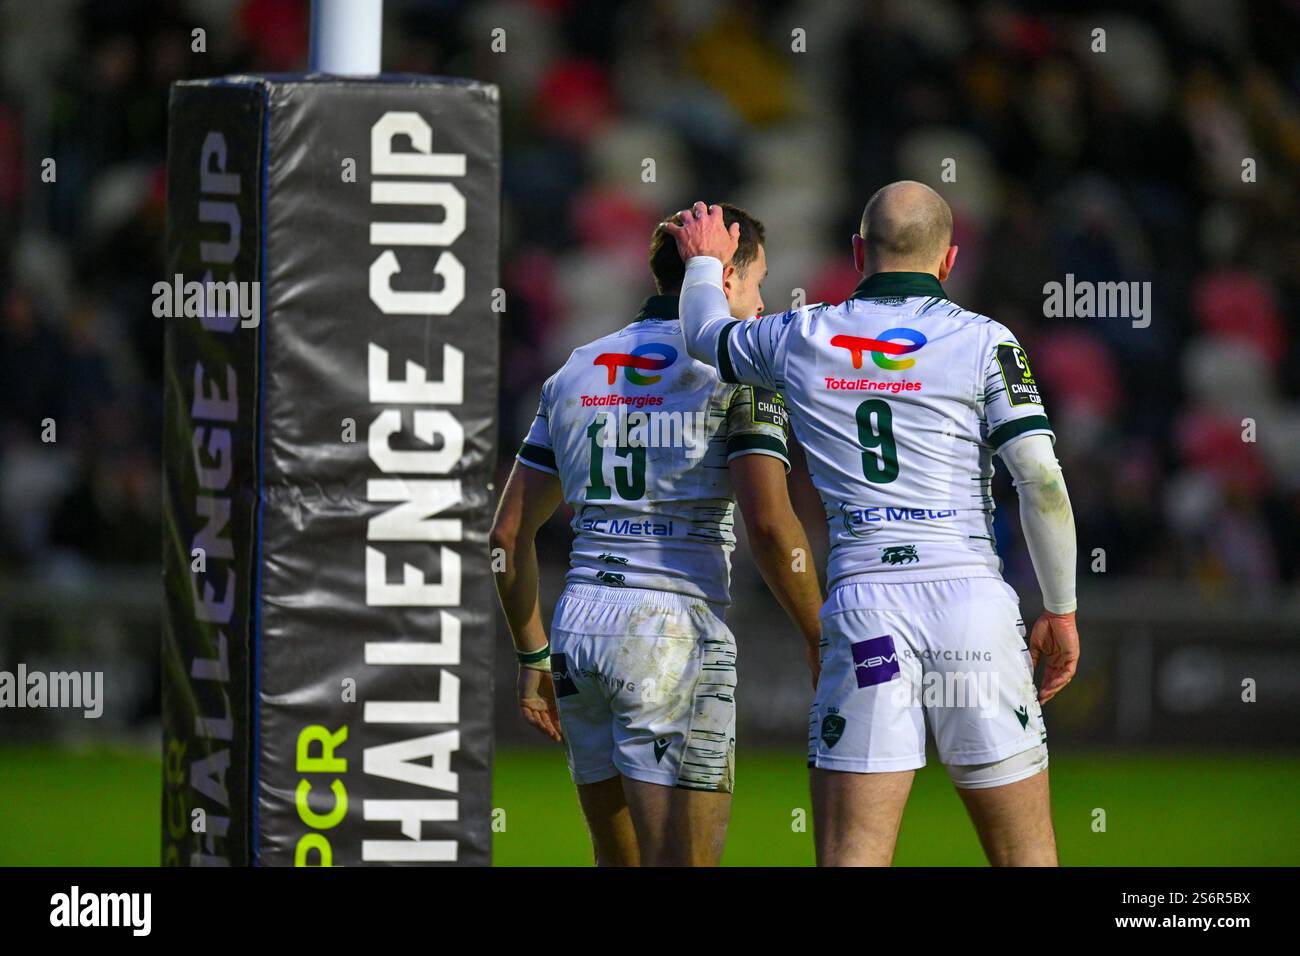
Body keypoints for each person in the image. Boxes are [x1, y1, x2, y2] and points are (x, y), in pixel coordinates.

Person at [662, 184, 1080, 866]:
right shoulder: (985, 340)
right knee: (1025, 854)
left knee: (854, 853)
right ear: (949, 260)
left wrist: (707, 261)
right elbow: (1040, 480)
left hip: (868, 615)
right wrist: (1060, 610)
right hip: (971, 608)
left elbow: (706, 338)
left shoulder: (799, 333)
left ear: (859, 253)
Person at [490, 203, 823, 866]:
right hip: (672, 628)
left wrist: (533, 659)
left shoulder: (575, 369)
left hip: (579, 624)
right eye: (757, 283)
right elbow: (766, 520)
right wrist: (823, 636)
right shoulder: (741, 368)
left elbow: (506, 537)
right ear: (723, 279)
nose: (759, 304)